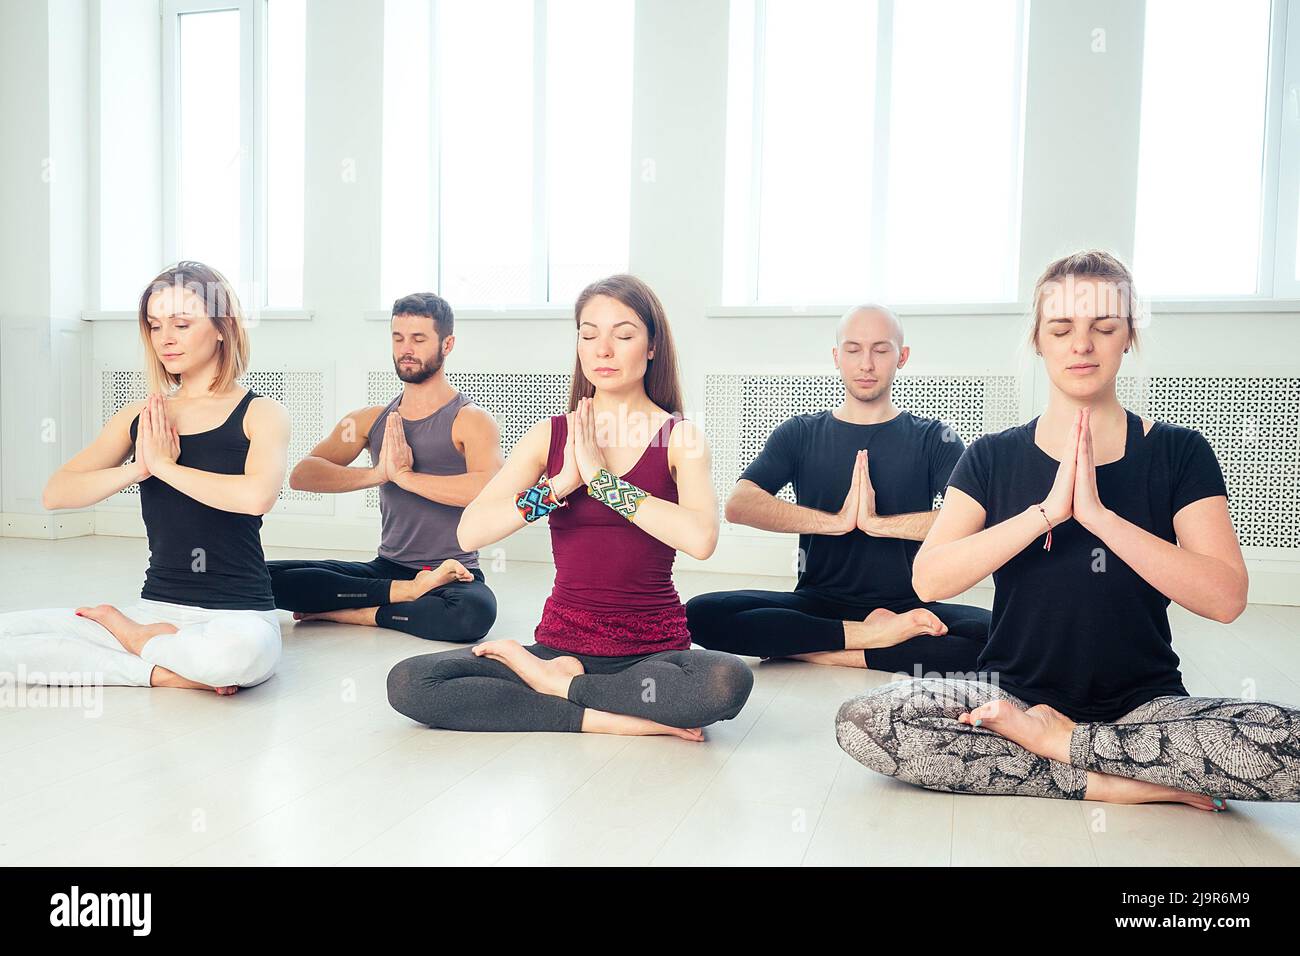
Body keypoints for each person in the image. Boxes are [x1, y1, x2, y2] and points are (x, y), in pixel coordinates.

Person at [836, 250, 1300, 810]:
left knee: (1290, 745)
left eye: (1103, 327)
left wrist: (1100, 516)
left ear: (1127, 335)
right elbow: (931, 580)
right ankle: (1108, 777)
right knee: (865, 719)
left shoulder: (1179, 452)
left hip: (1144, 708)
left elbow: (1227, 598)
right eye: (1062, 329)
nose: (1082, 345)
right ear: (1039, 339)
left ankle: (1065, 747)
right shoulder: (991, 457)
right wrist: (1047, 514)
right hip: (1012, 700)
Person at [386, 274, 754, 738]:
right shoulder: (551, 435)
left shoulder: (679, 437)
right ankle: (601, 713)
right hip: (559, 647)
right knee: (412, 682)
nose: (604, 349)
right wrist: (558, 486)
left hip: (653, 655)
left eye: (623, 335)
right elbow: (470, 532)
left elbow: (701, 540)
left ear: (652, 346)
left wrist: (603, 483)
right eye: (589, 334)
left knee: (725, 681)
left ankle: (563, 692)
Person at [1, 261, 288, 694]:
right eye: (155, 326)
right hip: (156, 609)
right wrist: (138, 468)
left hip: (238, 617)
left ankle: (136, 644)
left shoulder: (261, 413)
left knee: (233, 660)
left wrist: (166, 468)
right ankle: (161, 670)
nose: (165, 339)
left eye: (182, 323)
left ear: (222, 327)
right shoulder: (141, 416)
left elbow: (256, 497)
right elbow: (55, 493)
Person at [686, 304, 990, 672]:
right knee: (700, 614)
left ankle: (818, 649)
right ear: (836, 357)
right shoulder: (799, 433)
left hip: (909, 605)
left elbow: (976, 519)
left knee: (998, 636)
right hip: (818, 602)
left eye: (881, 350)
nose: (866, 364)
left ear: (902, 357)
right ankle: (869, 640)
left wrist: (879, 523)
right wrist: (838, 521)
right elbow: (740, 504)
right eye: (853, 350)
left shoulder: (934, 438)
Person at [265, 293, 500, 644]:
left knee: (472, 614)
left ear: (447, 344)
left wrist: (407, 478)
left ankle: (353, 612)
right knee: (253, 575)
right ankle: (403, 594)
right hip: (387, 571)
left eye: (419, 339)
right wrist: (377, 474)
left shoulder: (471, 420)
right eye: (398, 337)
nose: (406, 348)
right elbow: (303, 475)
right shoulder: (369, 419)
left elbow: (488, 489)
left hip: (451, 574)